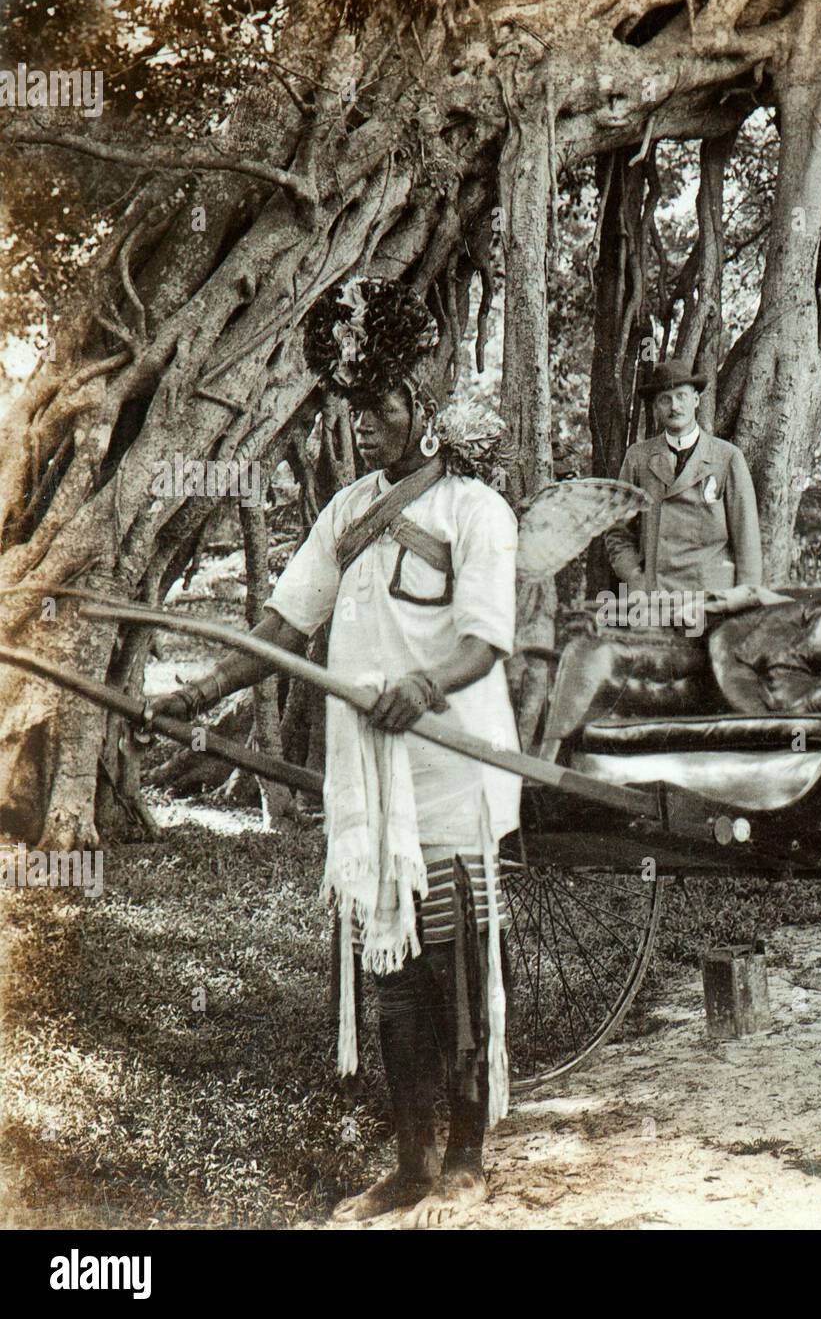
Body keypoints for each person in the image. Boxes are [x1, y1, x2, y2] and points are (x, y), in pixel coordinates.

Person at [146, 277, 518, 1229]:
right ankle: (408, 1162)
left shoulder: (477, 512)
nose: (366, 429)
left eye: (383, 408)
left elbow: (482, 641)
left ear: (421, 410)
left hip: (451, 768)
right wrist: (194, 693)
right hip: (368, 777)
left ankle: (468, 1158)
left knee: (453, 966)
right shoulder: (345, 512)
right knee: (389, 974)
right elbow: (280, 624)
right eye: (354, 413)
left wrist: (424, 685)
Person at [605, 359, 762, 596]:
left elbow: (747, 538)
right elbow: (617, 531)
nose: (674, 406)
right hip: (656, 595)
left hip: (711, 596)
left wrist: (745, 598)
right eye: (665, 399)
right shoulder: (638, 458)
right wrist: (636, 578)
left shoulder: (727, 457)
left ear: (696, 400)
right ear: (656, 408)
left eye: (681, 396)